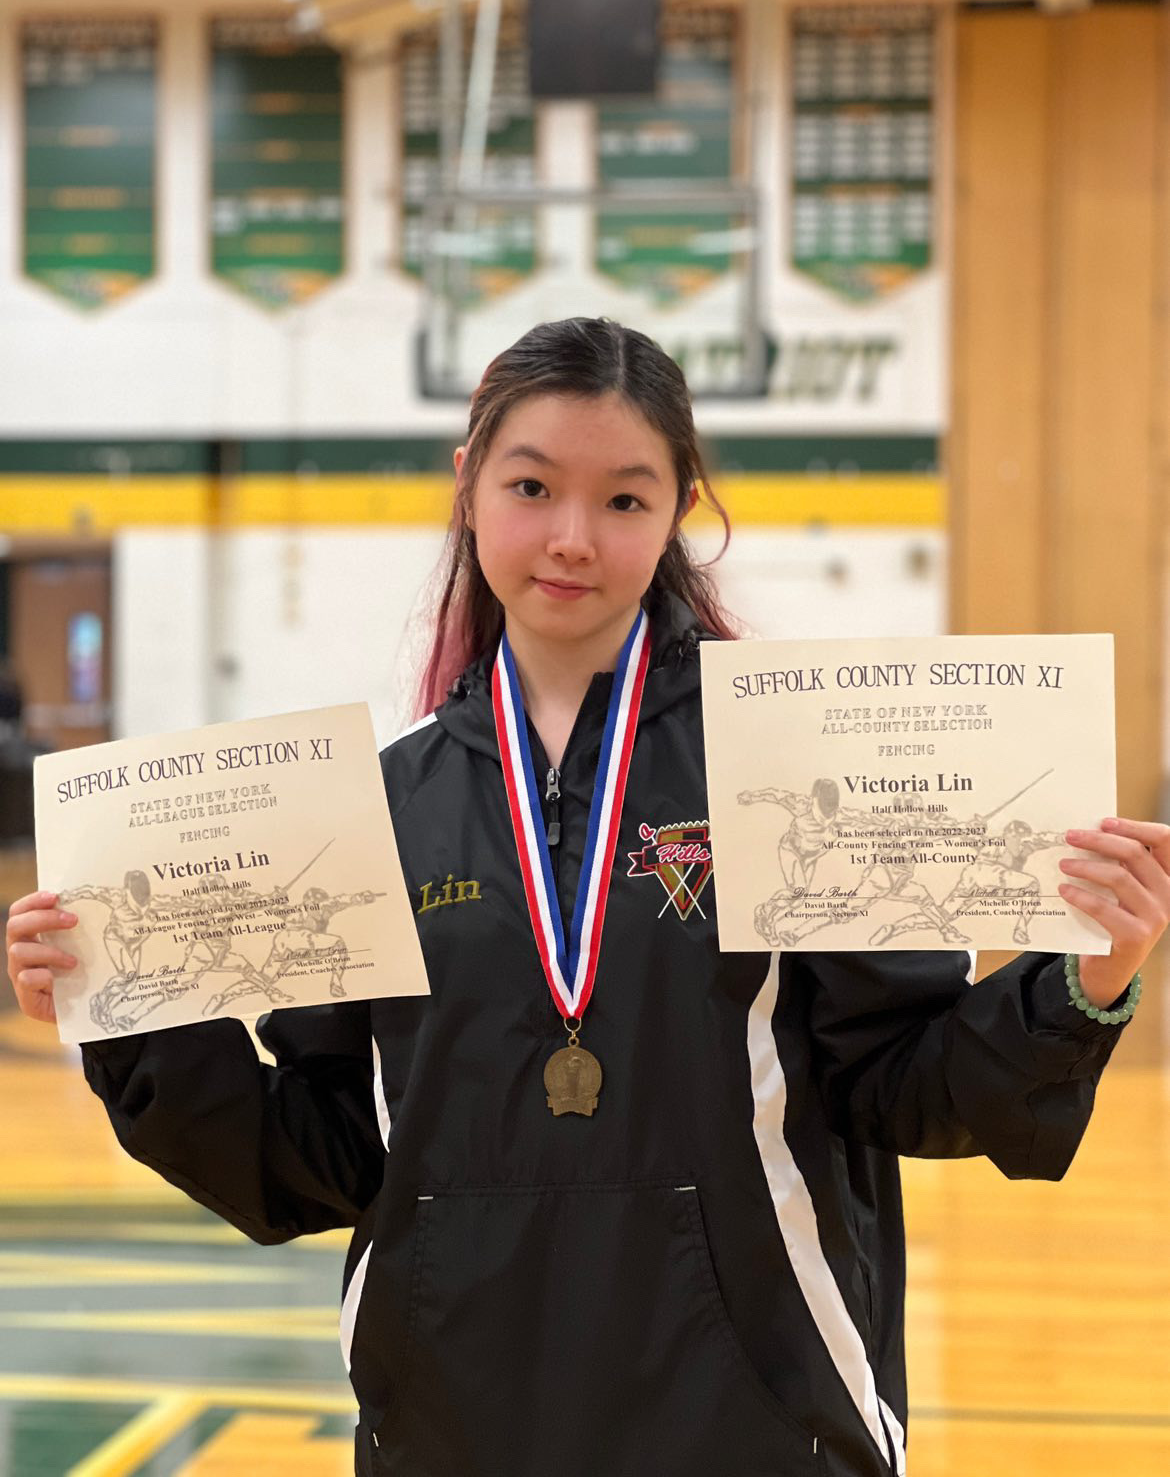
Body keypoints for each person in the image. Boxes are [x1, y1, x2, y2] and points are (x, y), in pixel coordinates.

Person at [5, 316, 1166, 1477]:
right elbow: (322, 1153)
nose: (571, 539)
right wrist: (129, 1000)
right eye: (531, 486)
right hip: (456, 1428)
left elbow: (901, 1087)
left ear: (679, 510)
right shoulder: (378, 810)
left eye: (624, 500)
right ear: (468, 487)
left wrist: (1085, 980)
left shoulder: (797, 767)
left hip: (755, 1424)